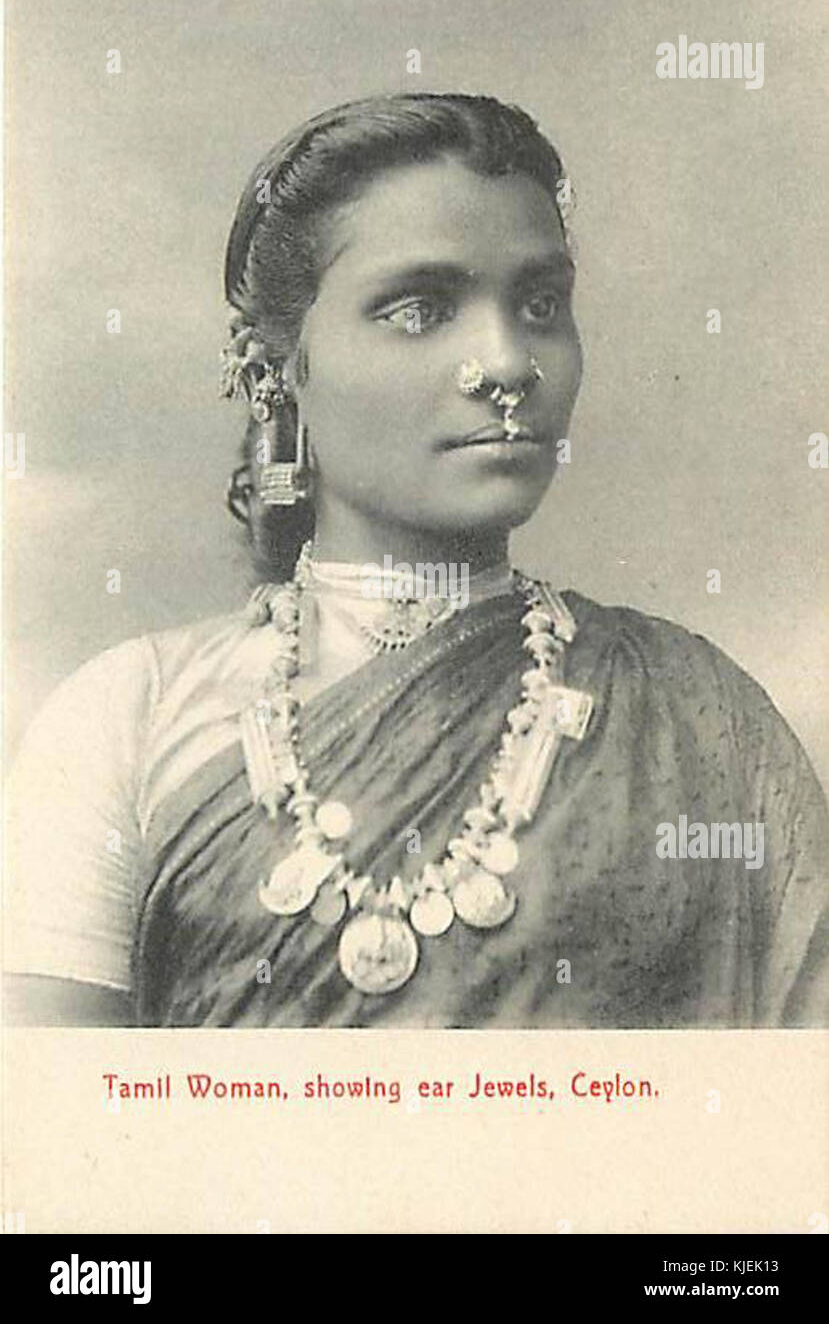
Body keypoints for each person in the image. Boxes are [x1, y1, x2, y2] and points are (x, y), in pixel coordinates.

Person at [4, 92, 828, 1028]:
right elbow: (59, 1136)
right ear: (278, 368)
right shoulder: (131, 719)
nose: (508, 362)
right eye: (419, 309)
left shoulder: (700, 717)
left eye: (539, 303)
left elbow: (801, 1126)